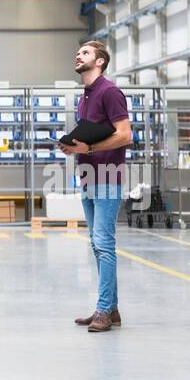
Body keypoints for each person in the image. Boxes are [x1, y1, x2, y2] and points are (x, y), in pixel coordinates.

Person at [60, 39, 132, 333]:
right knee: (96, 244)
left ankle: (103, 309)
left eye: (85, 53)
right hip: (89, 177)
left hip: (107, 175)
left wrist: (87, 150)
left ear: (100, 61)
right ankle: (110, 309)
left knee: (104, 243)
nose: (78, 55)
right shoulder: (86, 96)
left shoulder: (110, 92)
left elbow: (125, 135)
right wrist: (74, 148)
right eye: (77, 52)